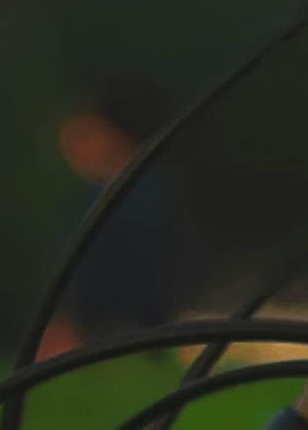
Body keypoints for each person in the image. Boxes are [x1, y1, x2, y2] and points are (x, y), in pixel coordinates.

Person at [39, 75, 202, 358]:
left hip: (125, 329)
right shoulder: (105, 194)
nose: (72, 150)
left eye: (84, 137)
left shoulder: (134, 197)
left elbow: (128, 272)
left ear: (115, 136)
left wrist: (77, 323)